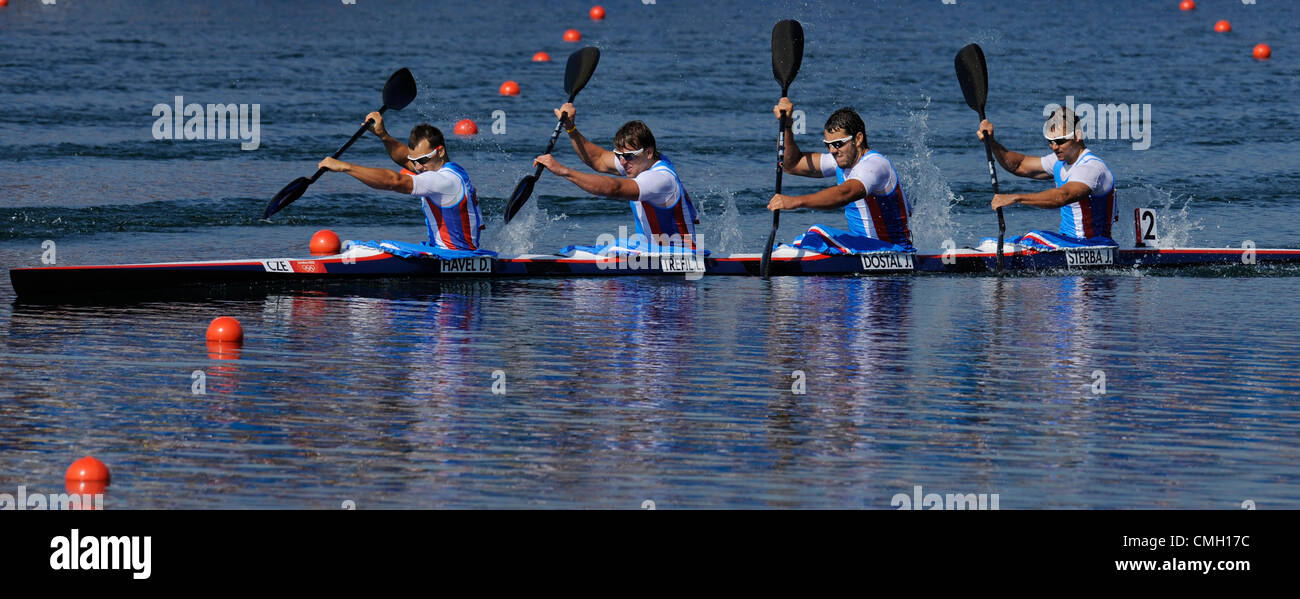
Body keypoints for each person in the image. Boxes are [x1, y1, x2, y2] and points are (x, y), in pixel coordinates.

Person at [532, 103, 699, 250]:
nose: (622, 162)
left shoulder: (659, 179)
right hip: (652, 253)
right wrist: (571, 128)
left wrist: (563, 171)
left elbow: (614, 188)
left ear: (649, 152)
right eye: (619, 155)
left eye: (628, 156)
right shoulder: (639, 161)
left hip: (678, 260)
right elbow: (598, 160)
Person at [318, 112, 484, 251]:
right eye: (415, 161)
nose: (417, 167)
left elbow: (394, 181)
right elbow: (405, 158)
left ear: (440, 152)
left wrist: (344, 167)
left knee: (364, 248)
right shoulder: (452, 170)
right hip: (448, 253)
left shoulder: (443, 181)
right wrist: (383, 135)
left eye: (423, 160)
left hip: (454, 256)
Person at [766, 99, 913, 252]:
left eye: (838, 143)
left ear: (858, 139)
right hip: (861, 250)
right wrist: (787, 125)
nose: (832, 150)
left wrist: (795, 201)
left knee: (817, 233)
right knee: (807, 240)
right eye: (828, 145)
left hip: (893, 250)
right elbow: (791, 164)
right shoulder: (839, 160)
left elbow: (845, 193)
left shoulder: (875, 165)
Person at [979, 106, 1117, 248]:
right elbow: (1019, 165)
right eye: (1050, 141)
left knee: (1034, 237)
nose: (1054, 147)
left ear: (1077, 136)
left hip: (1095, 245)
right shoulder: (1059, 161)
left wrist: (1016, 198)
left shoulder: (1090, 167)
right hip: (1065, 243)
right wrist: (992, 143)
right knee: (988, 242)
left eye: (1060, 141)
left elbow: (1063, 196)